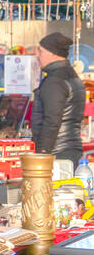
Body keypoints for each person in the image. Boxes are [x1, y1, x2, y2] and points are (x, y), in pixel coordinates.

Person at [31, 32, 86, 167]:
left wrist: (42, 153)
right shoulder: (70, 75)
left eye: (40, 51)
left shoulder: (55, 81)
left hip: (57, 151)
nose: (37, 55)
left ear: (52, 53)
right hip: (68, 148)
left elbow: (52, 120)